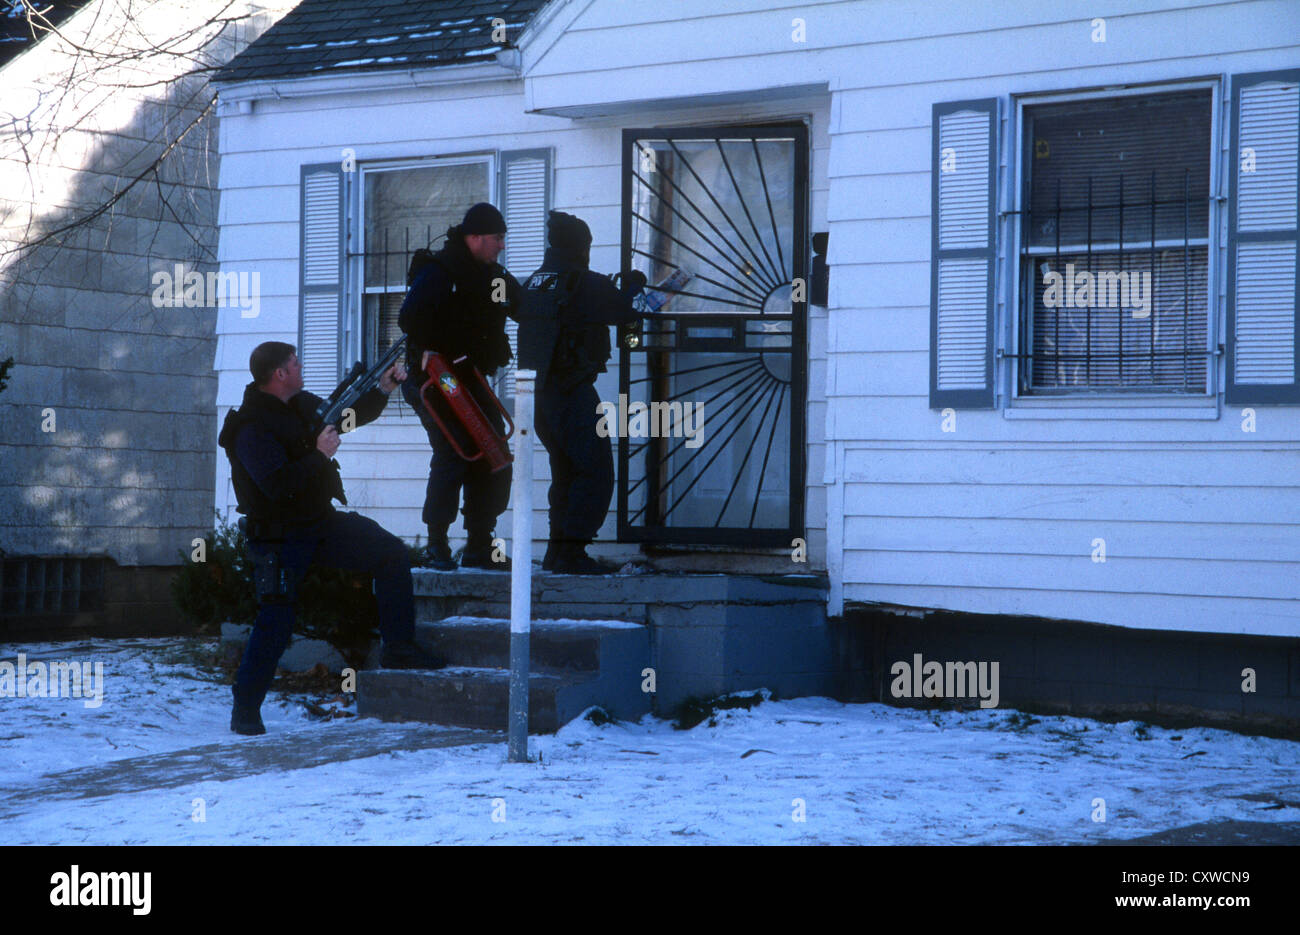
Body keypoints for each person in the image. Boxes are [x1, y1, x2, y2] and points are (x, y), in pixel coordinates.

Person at [218, 341, 443, 736]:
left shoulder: (300, 405)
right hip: (279, 536)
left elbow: (347, 418)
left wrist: (384, 388)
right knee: (276, 619)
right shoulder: (250, 426)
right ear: (279, 375)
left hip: (319, 522)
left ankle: (399, 649)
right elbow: (274, 485)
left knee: (390, 554)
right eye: (295, 364)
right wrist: (317, 455)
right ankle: (246, 709)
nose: (302, 368)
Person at [518, 210, 650, 574]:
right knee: (594, 472)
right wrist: (633, 286)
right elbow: (625, 315)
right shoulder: (584, 282)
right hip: (571, 393)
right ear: (581, 247)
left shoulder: (536, 281)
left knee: (566, 472)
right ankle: (572, 553)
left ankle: (557, 554)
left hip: (538, 397)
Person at [398, 203, 522, 571]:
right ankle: (436, 545)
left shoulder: (493, 277)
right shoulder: (441, 271)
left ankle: (480, 544)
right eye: (497, 238)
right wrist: (434, 348)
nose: (501, 245)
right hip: (438, 378)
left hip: (471, 378)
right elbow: (409, 317)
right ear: (475, 237)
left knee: (493, 450)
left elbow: (523, 306)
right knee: (454, 451)